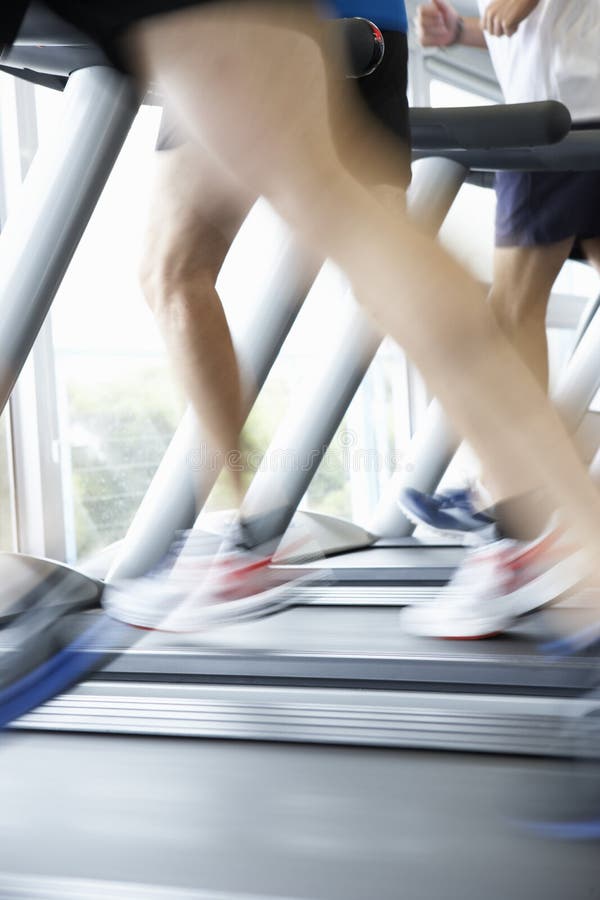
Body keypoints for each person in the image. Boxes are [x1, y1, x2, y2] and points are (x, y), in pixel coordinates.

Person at [2, 2, 600, 638]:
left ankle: (551, 526)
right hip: (349, 27)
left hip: (293, 19)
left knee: (204, 263)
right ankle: (544, 524)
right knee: (204, 262)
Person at [400, 0, 600, 638]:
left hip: (558, 118)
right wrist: (462, 29)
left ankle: (519, 519)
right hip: (574, 101)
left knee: (507, 314)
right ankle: (521, 493)